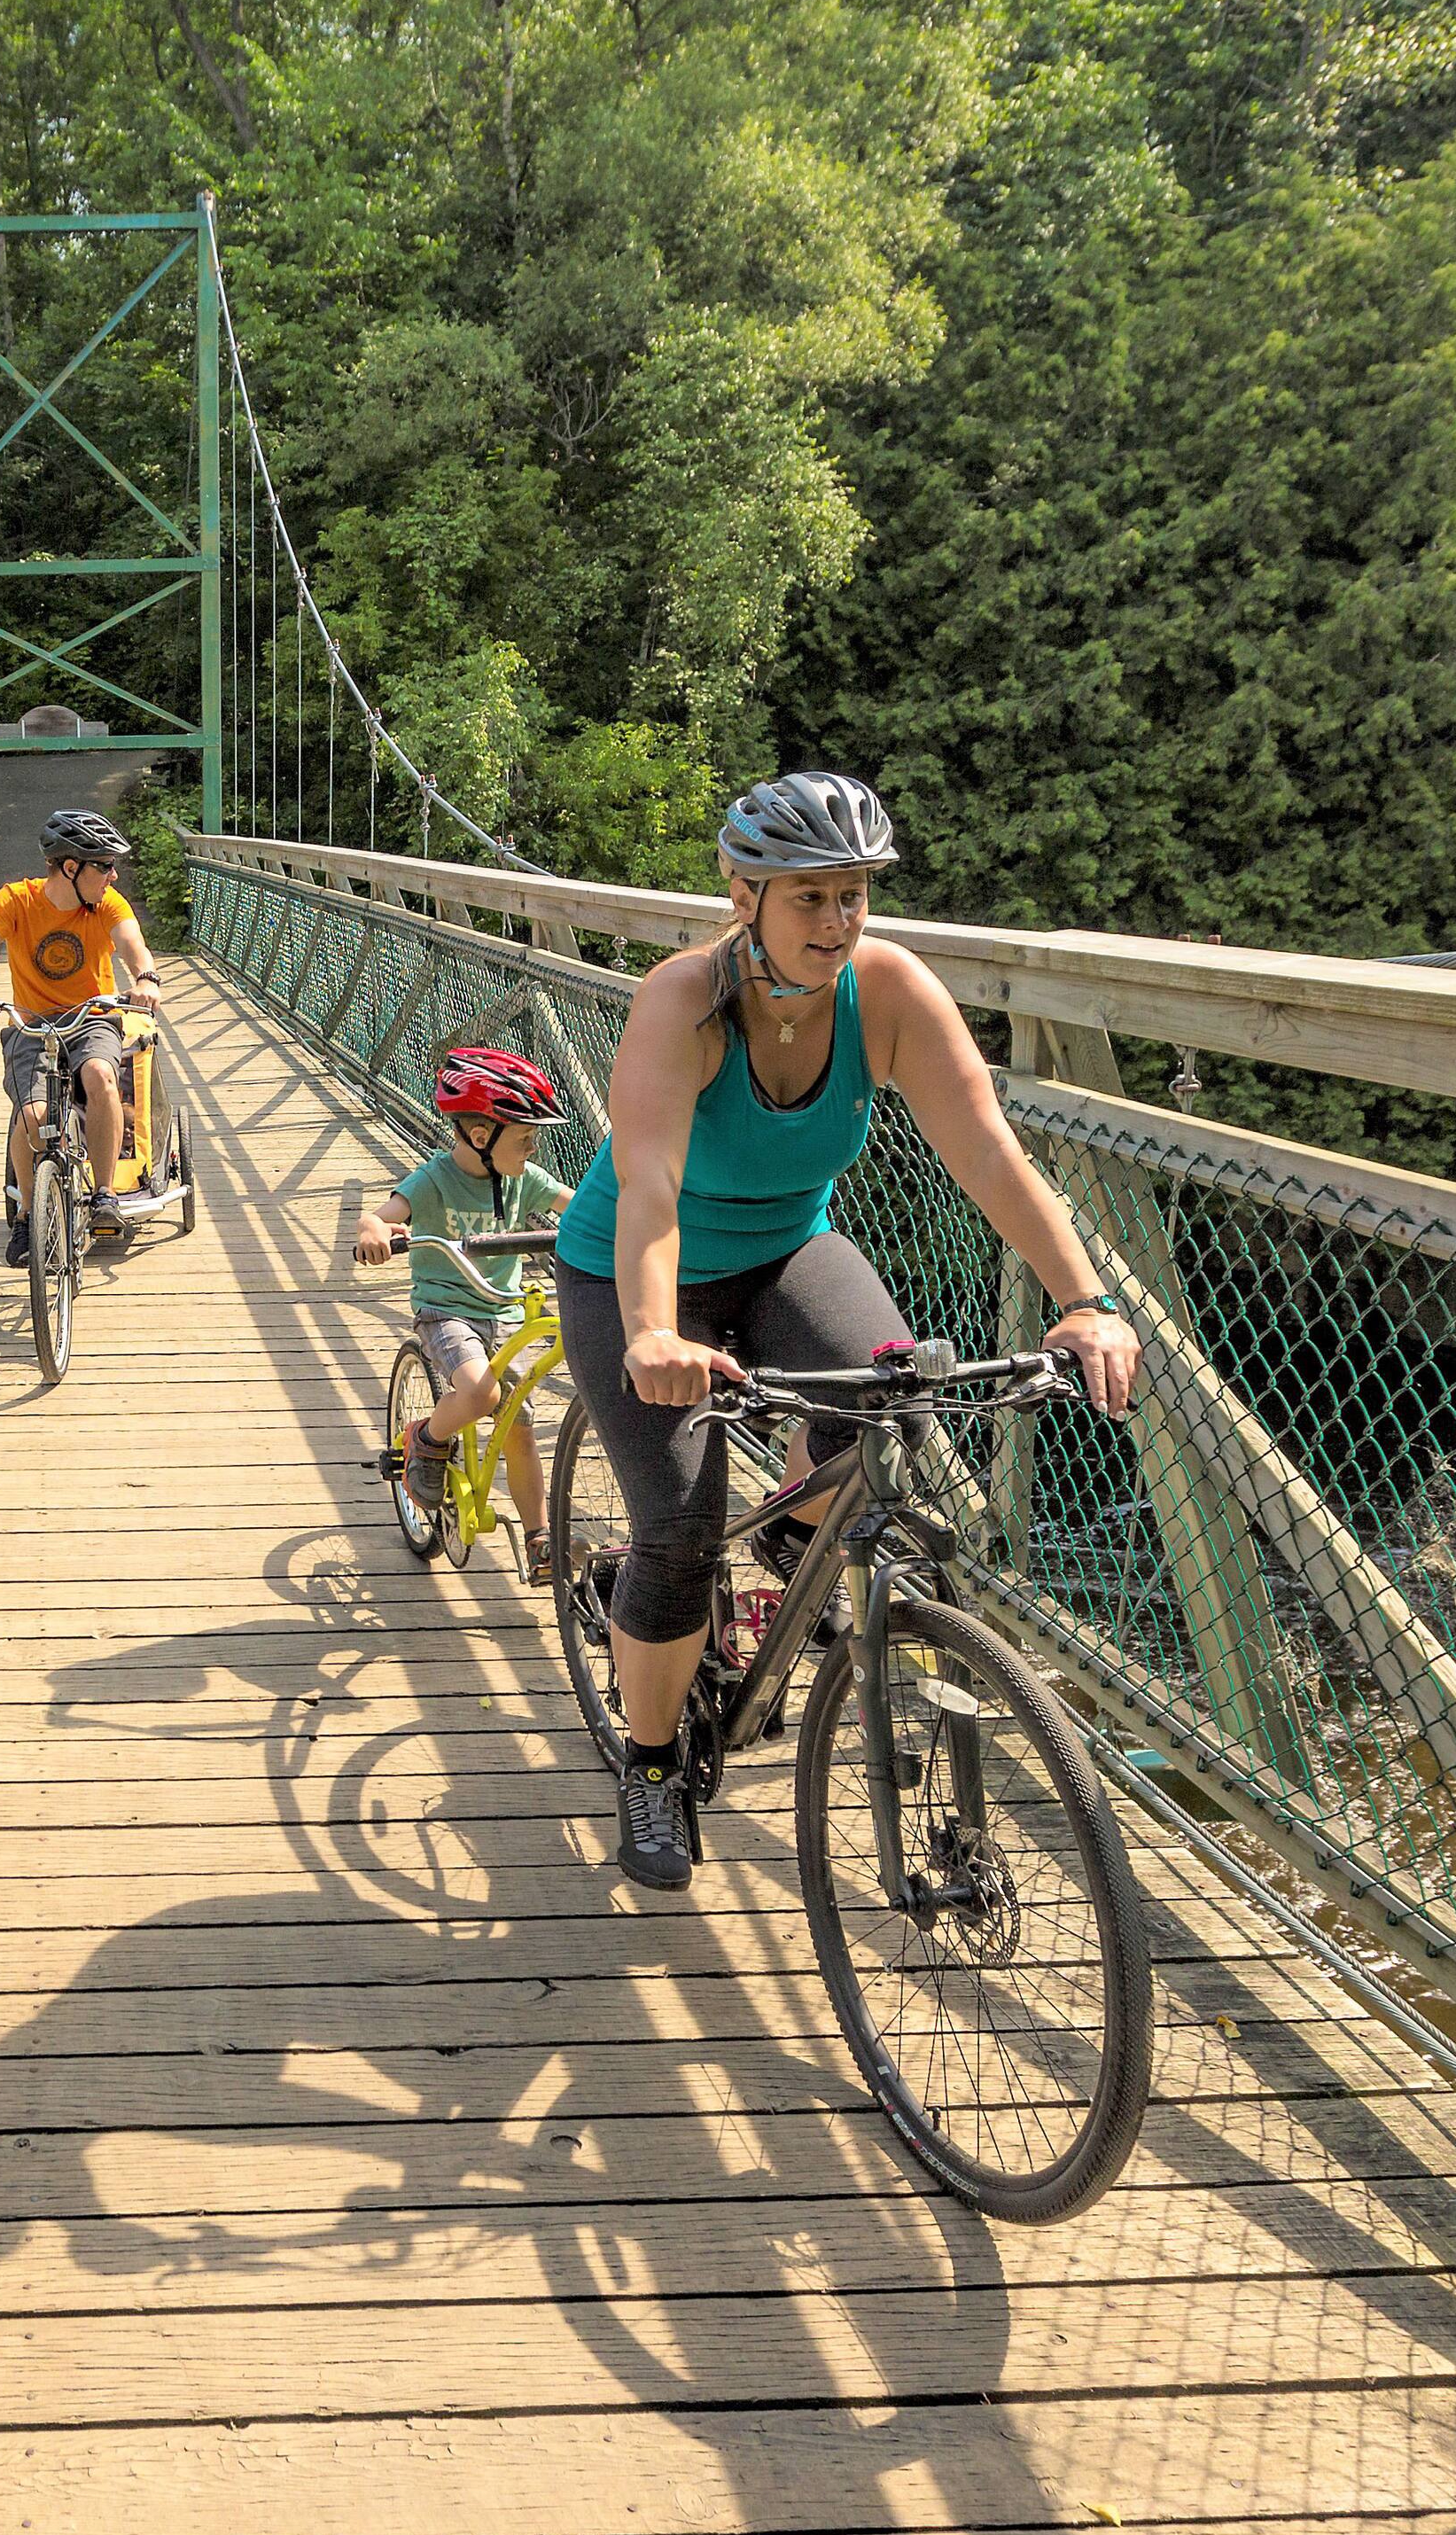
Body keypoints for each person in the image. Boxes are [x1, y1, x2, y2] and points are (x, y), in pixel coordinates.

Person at [553, 769, 1142, 1891]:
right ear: (744, 895)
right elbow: (648, 1189)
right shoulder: (683, 1000)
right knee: (677, 1529)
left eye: (853, 895)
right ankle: (651, 1760)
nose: (835, 922)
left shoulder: (890, 990)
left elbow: (982, 1153)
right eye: (807, 896)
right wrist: (647, 1334)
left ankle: (794, 1539)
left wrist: (1086, 1300)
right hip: (638, 1276)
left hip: (786, 1249)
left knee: (892, 1407)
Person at [353, 1047, 574, 1579]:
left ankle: (539, 1536)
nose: (533, 1146)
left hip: (505, 1313)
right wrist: (375, 1232)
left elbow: (583, 1207)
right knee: (481, 1393)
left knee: (518, 1426)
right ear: (482, 1137)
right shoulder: (433, 1180)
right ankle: (426, 1439)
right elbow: (381, 1214)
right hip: (447, 1311)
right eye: (524, 1137)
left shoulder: (528, 1179)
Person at [0, 809, 160, 1268]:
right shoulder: (15, 901)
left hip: (92, 1017)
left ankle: (104, 1195)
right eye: (103, 865)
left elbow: (133, 943)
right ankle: (26, 1214)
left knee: (102, 1075)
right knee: (32, 1114)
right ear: (70, 867)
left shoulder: (107, 904)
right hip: (31, 1023)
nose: (112, 874)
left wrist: (146, 979)